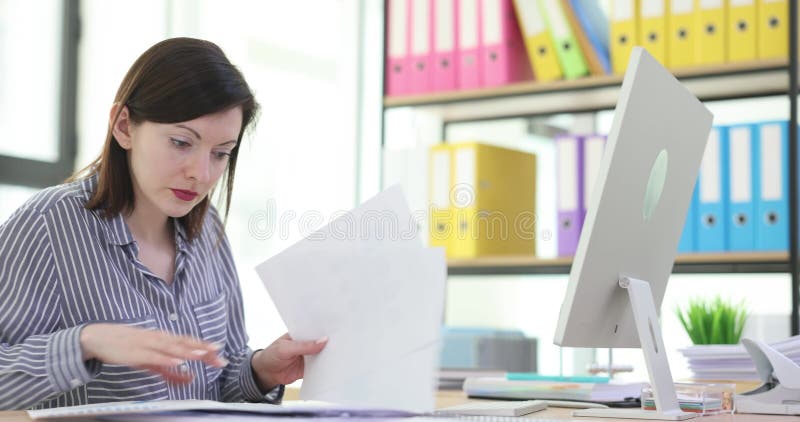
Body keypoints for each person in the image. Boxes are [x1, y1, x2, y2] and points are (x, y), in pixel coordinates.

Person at [0, 37, 326, 410]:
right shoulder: (46, 226)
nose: (201, 174)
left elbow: (219, 386)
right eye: (181, 142)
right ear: (124, 127)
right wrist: (86, 341)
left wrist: (260, 370)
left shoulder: (209, 231)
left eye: (221, 154)